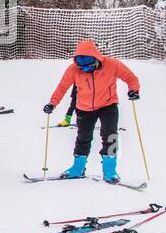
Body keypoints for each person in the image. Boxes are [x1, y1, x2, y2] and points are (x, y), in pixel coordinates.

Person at [44, 39, 141, 183]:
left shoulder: (112, 65)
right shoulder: (73, 69)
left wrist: (133, 90)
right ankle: (78, 168)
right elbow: (62, 87)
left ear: (96, 58)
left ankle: (110, 170)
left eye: (89, 66)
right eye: (82, 67)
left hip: (108, 106)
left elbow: (131, 78)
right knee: (83, 138)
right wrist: (52, 103)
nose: (85, 70)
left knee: (111, 136)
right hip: (84, 108)